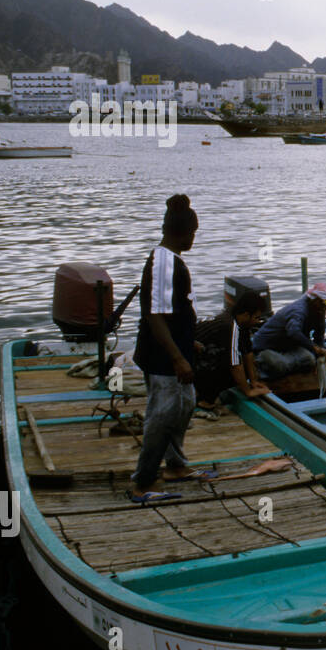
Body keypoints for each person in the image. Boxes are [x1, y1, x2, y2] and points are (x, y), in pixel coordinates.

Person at [129, 194, 217, 503]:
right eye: (193, 233)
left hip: (174, 350)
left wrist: (188, 342)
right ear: (182, 232)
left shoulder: (171, 260)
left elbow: (173, 312)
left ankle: (176, 466)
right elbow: (154, 315)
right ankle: (143, 482)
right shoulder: (164, 261)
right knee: (163, 416)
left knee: (185, 405)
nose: (194, 239)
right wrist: (178, 358)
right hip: (162, 358)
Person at [193, 291, 271, 402]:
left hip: (202, 354)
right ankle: (205, 399)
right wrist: (248, 391)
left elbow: (247, 353)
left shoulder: (240, 322)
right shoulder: (231, 326)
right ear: (246, 315)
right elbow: (234, 364)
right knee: (229, 369)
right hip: (192, 359)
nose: (258, 321)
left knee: (243, 369)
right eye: (256, 318)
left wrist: (253, 381)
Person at [252, 283, 326, 378]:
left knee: (310, 360)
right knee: (279, 365)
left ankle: (283, 368)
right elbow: (293, 332)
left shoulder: (319, 311)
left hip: (288, 347)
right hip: (266, 347)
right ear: (314, 300)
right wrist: (316, 349)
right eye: (324, 304)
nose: (325, 308)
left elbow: (319, 336)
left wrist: (319, 358)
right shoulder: (298, 310)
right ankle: (260, 363)